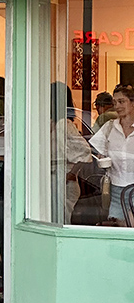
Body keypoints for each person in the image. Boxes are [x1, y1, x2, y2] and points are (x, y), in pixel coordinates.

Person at [90, 84, 134, 226]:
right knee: (118, 229)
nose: (117, 106)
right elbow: (97, 152)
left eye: (121, 101)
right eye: (115, 102)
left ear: (132, 103)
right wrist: (101, 158)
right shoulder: (109, 127)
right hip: (115, 190)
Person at [50, 82, 93, 222]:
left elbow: (85, 151)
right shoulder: (52, 124)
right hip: (56, 178)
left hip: (63, 180)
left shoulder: (64, 124)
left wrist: (71, 174)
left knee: (61, 220)